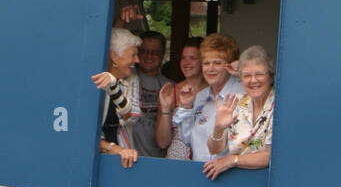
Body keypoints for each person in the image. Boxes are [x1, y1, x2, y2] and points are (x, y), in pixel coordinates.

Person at [93, 27, 166, 167]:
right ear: (114, 56)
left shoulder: (132, 80)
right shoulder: (95, 81)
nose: (137, 60)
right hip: (96, 158)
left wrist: (113, 87)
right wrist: (113, 148)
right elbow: (87, 133)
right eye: (133, 55)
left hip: (122, 157)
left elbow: (131, 116)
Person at [203, 46, 274, 180]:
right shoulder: (238, 103)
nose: (253, 80)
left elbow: (270, 156)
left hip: (267, 181)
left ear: (270, 77)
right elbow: (214, 150)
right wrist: (218, 128)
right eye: (247, 75)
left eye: (259, 74)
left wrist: (231, 160)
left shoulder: (279, 106)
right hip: (235, 180)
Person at [172, 33, 243, 163]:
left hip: (232, 174)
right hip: (200, 172)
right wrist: (186, 107)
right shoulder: (200, 97)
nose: (210, 69)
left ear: (230, 66)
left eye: (217, 63)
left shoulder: (243, 94)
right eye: (206, 63)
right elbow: (187, 140)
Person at [155, 37, 204, 159]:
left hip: (207, 163)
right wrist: (165, 109)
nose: (186, 62)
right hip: (177, 161)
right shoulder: (171, 92)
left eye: (193, 58)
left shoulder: (215, 91)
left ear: (204, 61)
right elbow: (162, 142)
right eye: (183, 58)